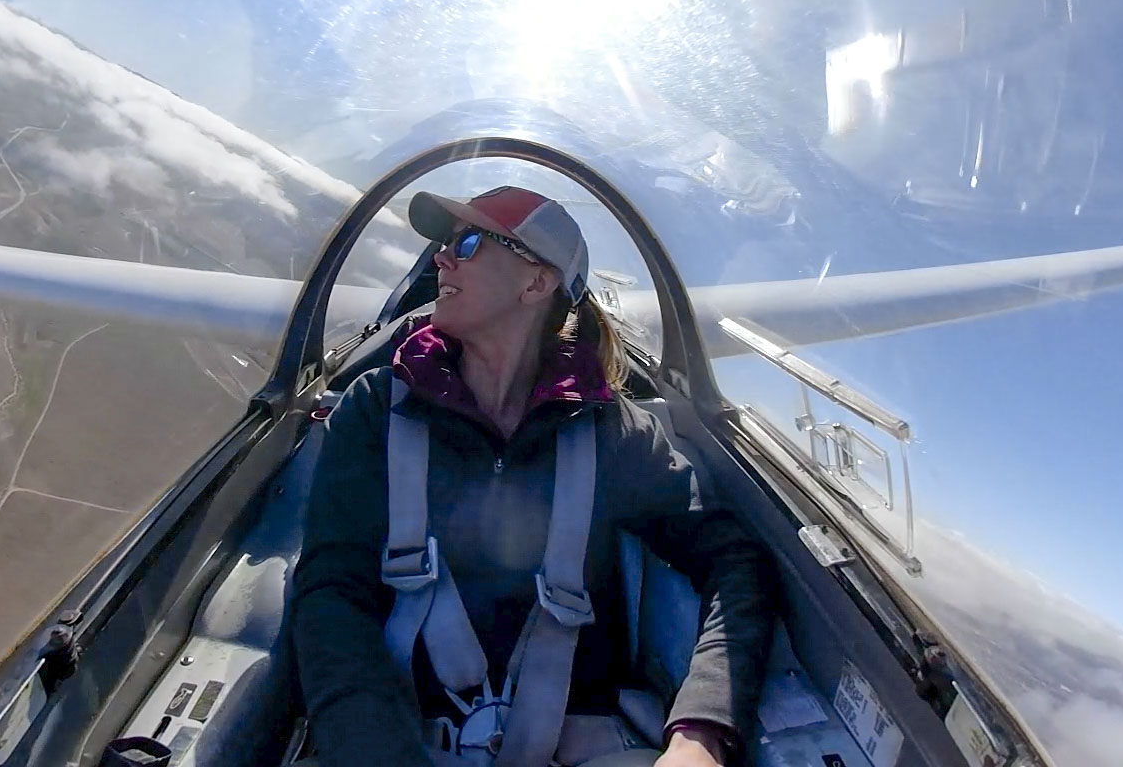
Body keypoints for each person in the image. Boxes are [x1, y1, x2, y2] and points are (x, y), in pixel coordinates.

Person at [291, 186, 774, 767]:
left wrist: (702, 733)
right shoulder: (378, 410)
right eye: (446, 243)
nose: (441, 259)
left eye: (467, 242)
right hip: (397, 740)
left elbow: (733, 561)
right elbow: (330, 591)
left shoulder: (611, 431)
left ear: (536, 283)